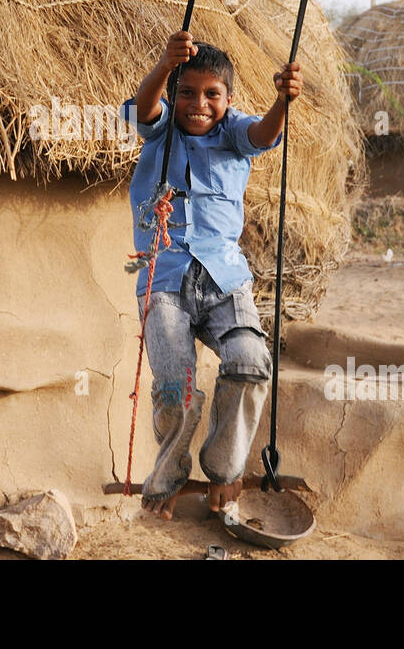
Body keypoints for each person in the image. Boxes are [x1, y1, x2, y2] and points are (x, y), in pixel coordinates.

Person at [120, 30, 301, 520]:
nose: (199, 104)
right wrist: (164, 65)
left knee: (249, 360)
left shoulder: (236, 132)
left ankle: (224, 469)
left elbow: (265, 135)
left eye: (212, 94)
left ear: (228, 100)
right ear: (173, 95)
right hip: (165, 280)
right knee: (175, 390)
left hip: (223, 279)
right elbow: (140, 111)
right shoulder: (160, 128)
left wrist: (283, 101)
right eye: (187, 92)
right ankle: (171, 473)